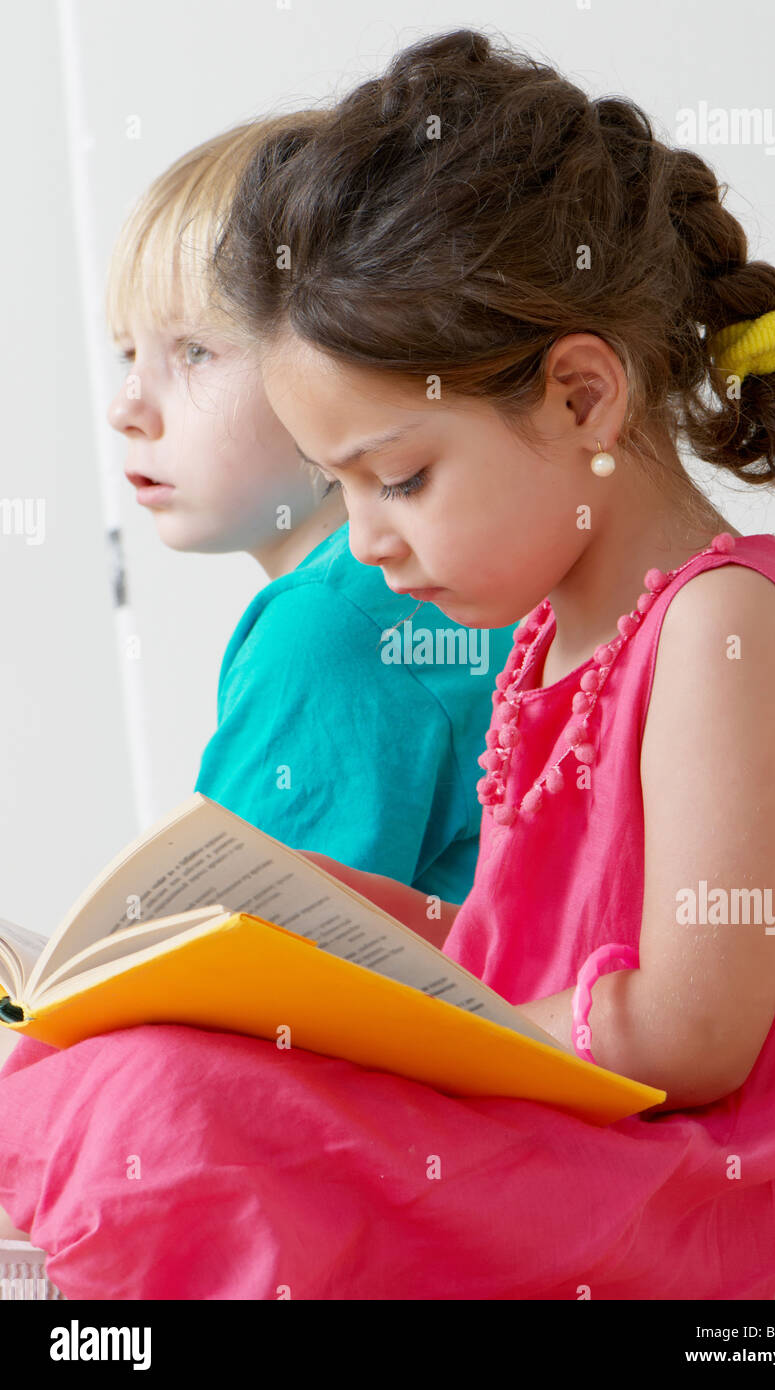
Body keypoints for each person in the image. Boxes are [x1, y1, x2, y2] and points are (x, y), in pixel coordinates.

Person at [1, 27, 775, 1299]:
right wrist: (348, 919)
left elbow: (690, 1033)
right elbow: (533, 949)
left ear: (583, 399)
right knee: (106, 1063)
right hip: (559, 1137)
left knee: (168, 1106)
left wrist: (418, 1035)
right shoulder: (545, 628)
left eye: (400, 477)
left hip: (668, 1202)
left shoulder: (722, 635)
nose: (365, 539)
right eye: (341, 485)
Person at [0, 105, 515, 1294]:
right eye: (127, 352)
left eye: (194, 353)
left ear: (335, 363)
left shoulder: (335, 623)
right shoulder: (393, 597)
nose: (132, 404)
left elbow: (231, 971)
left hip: (386, 1161)